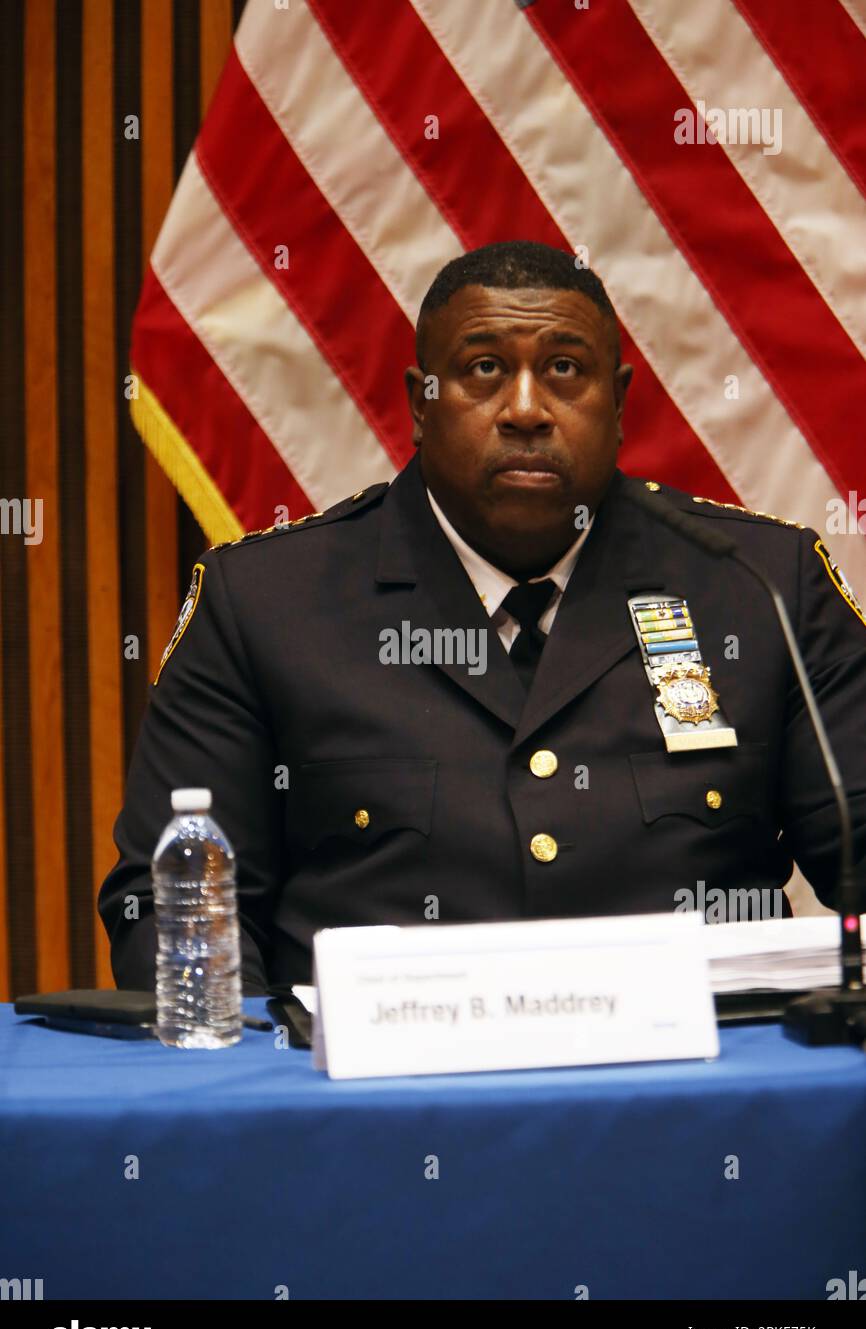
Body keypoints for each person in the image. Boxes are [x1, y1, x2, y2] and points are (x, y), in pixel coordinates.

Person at [98, 240, 866, 992]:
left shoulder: (760, 587)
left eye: (565, 370)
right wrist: (274, 1095)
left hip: (710, 1095)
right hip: (375, 1105)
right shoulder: (266, 605)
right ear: (419, 404)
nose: (526, 410)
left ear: (621, 402)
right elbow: (173, 913)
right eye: (483, 370)